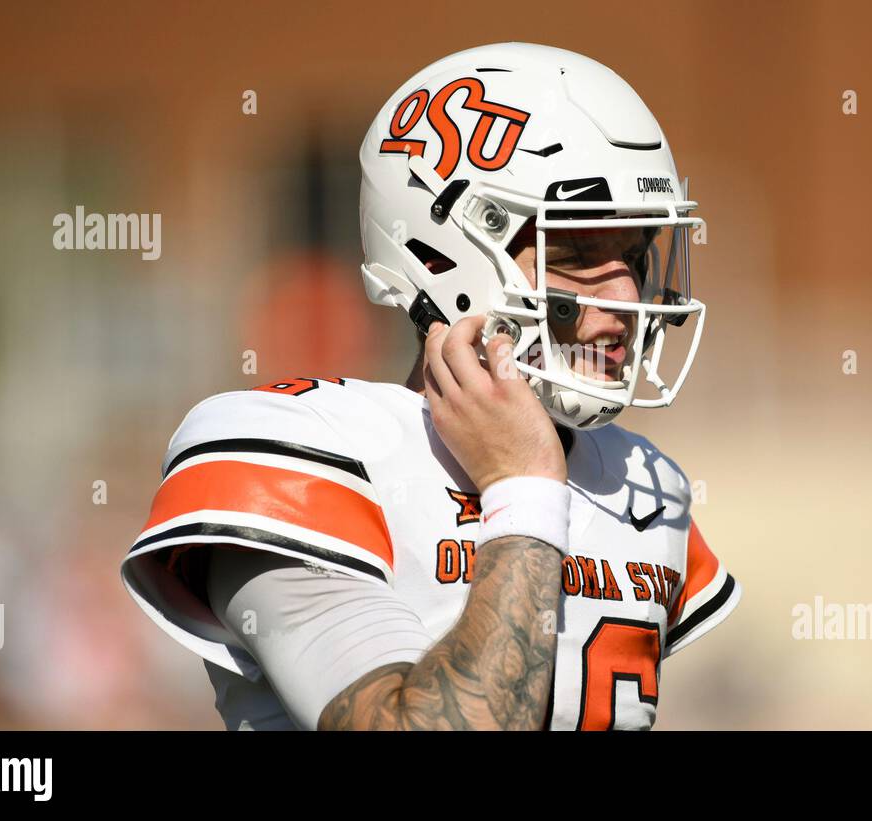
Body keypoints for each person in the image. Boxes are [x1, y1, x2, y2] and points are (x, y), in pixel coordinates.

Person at [121, 42, 740, 730]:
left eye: (632, 254)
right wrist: (527, 489)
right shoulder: (302, 453)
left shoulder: (641, 486)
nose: (625, 294)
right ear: (444, 253)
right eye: (574, 254)